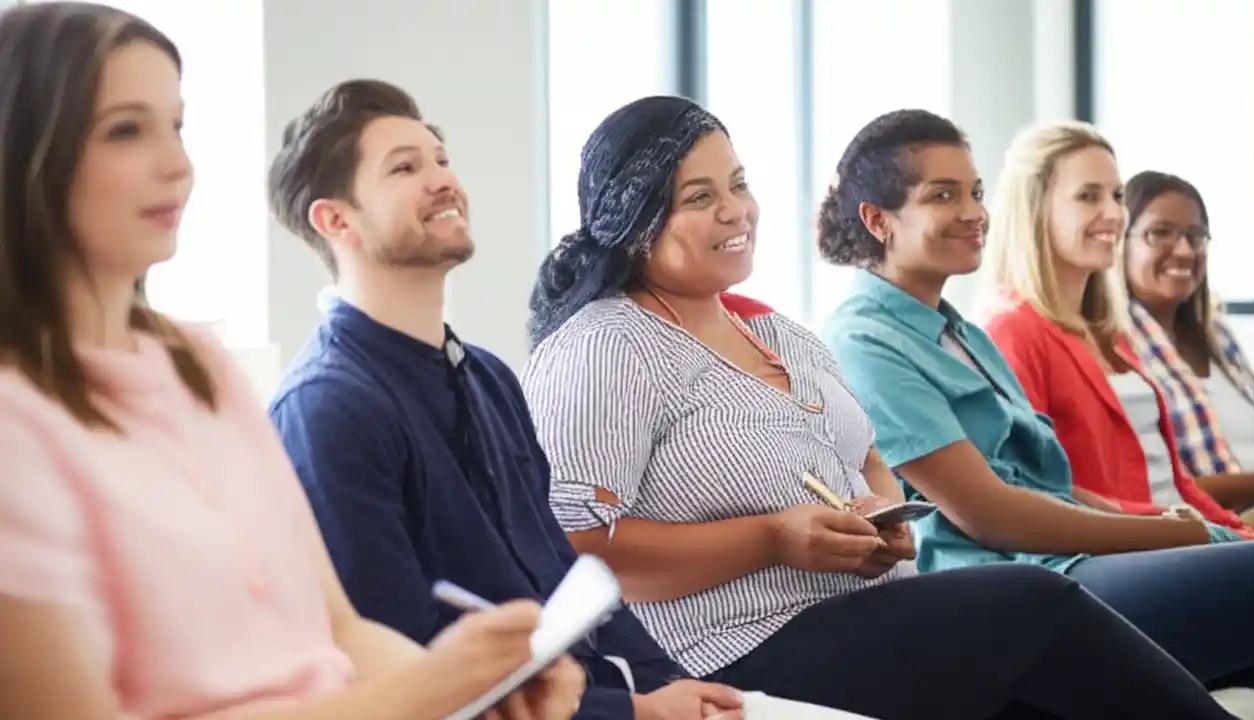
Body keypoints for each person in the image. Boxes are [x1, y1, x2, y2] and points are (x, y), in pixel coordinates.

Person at [520, 95, 1254, 720]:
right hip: (734, 644)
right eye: (699, 197)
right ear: (634, 218)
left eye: (738, 184)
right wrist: (773, 539)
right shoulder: (608, 342)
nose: (736, 210)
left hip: (862, 611)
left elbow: (866, 459)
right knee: (1036, 607)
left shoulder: (780, 334)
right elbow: (574, 544)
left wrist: (879, 520)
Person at [0, 3, 585, 720]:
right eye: (126, 130)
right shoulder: (17, 423)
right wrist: (430, 689)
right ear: (28, 153)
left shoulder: (200, 364)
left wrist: (488, 693)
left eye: (177, 126)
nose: (178, 164)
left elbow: (338, 630)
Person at [266, 79, 864, 720]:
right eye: (405, 168)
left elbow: (562, 572)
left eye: (440, 158)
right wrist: (634, 711)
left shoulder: (486, 378)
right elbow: (398, 661)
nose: (442, 180)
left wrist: (672, 685)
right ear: (335, 220)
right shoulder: (327, 409)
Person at [822, 108, 1254, 708]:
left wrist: (1170, 526)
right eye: (943, 195)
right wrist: (1159, 533)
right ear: (878, 220)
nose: (973, 212)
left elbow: (1051, 482)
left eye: (976, 193)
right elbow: (989, 514)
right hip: (1009, 580)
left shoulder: (960, 333)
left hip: (1061, 558)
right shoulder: (863, 340)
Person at [978, 122, 1254, 538]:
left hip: (1178, 539)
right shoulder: (1013, 333)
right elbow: (1034, 489)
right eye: (1087, 196)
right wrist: (1191, 533)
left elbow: (1176, 483)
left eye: (1115, 195)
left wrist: (1241, 537)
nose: (1113, 214)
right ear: (1036, 210)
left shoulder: (1110, 334)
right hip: (1126, 549)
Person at [1120, 170, 1254, 536]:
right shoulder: (1115, 346)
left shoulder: (1218, 336)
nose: (1185, 250)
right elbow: (1167, 490)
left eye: (1195, 236)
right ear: (1120, 242)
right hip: (1221, 525)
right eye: (1160, 232)